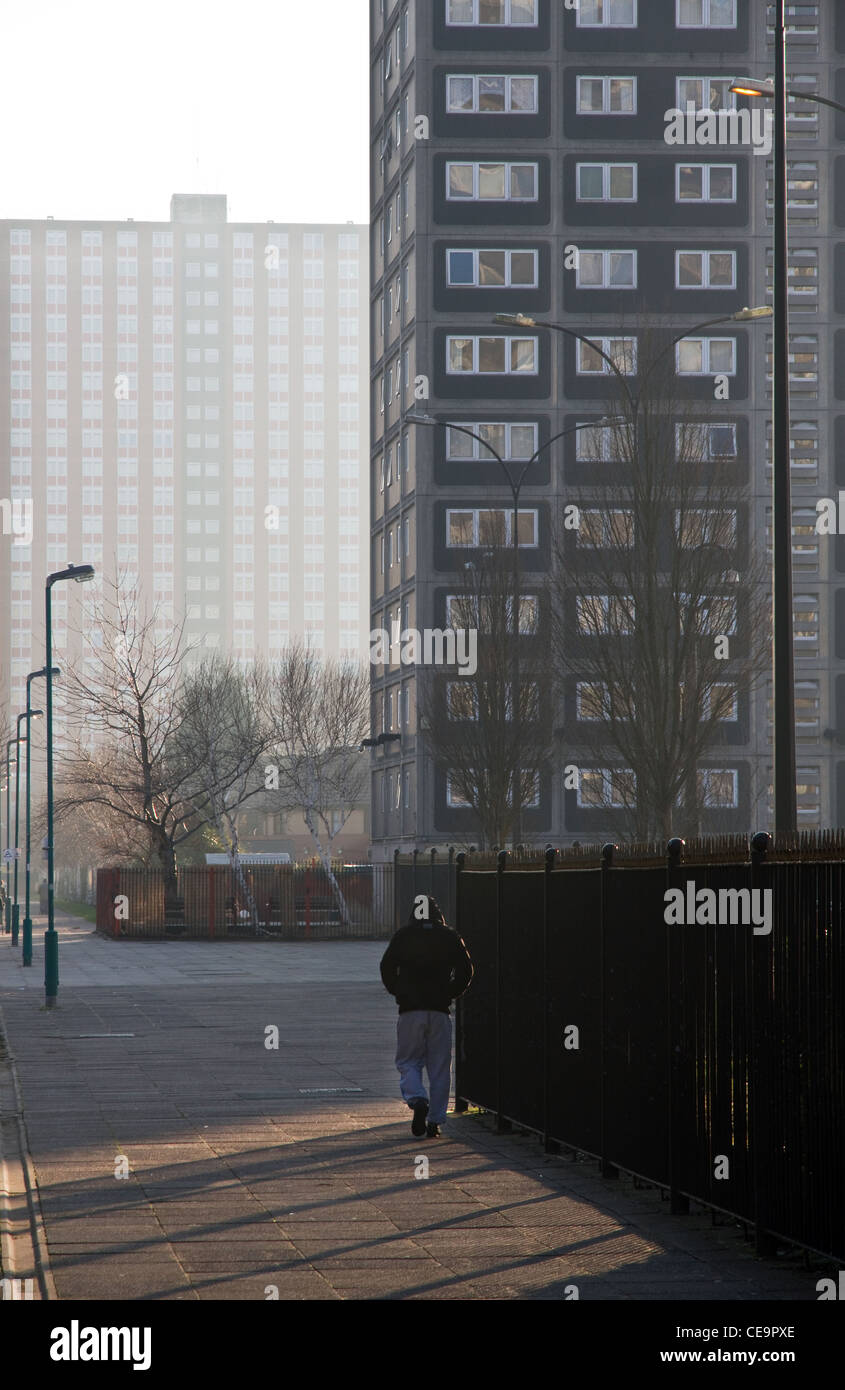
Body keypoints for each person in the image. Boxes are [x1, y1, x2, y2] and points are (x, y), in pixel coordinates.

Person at [379, 894, 473, 1139]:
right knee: (440, 1068)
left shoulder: (403, 936)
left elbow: (386, 966)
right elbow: (466, 969)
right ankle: (435, 1122)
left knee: (408, 1061)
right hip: (440, 1010)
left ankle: (417, 1097)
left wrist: (398, 990)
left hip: (410, 1010)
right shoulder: (449, 936)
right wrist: (451, 992)